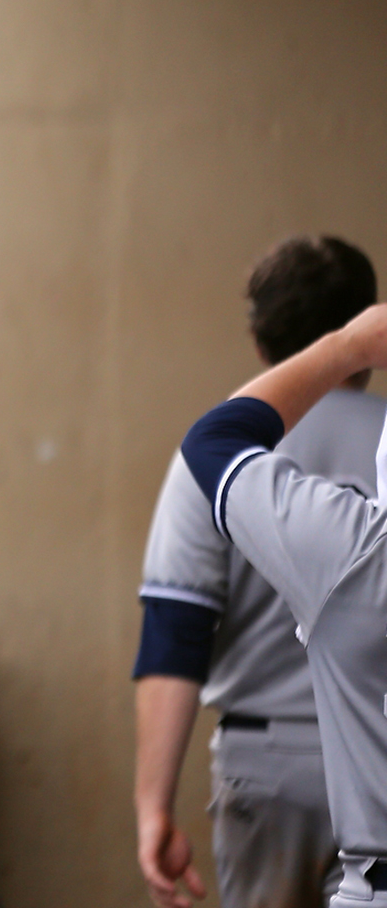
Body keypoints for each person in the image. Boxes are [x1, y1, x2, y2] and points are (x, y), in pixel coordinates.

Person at [134, 237, 381, 908]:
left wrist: (153, 806)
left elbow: (176, 632)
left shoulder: (216, 453)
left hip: (266, 765)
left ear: (258, 337)